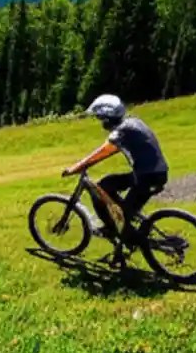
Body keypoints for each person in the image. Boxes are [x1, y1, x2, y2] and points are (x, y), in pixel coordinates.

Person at [61, 94, 169, 249]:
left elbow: (103, 152)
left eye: (100, 118)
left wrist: (77, 167)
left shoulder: (122, 130)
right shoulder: (133, 122)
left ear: (107, 118)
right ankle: (116, 225)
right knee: (105, 185)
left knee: (121, 219)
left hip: (147, 177)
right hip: (152, 173)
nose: (100, 122)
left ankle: (129, 237)